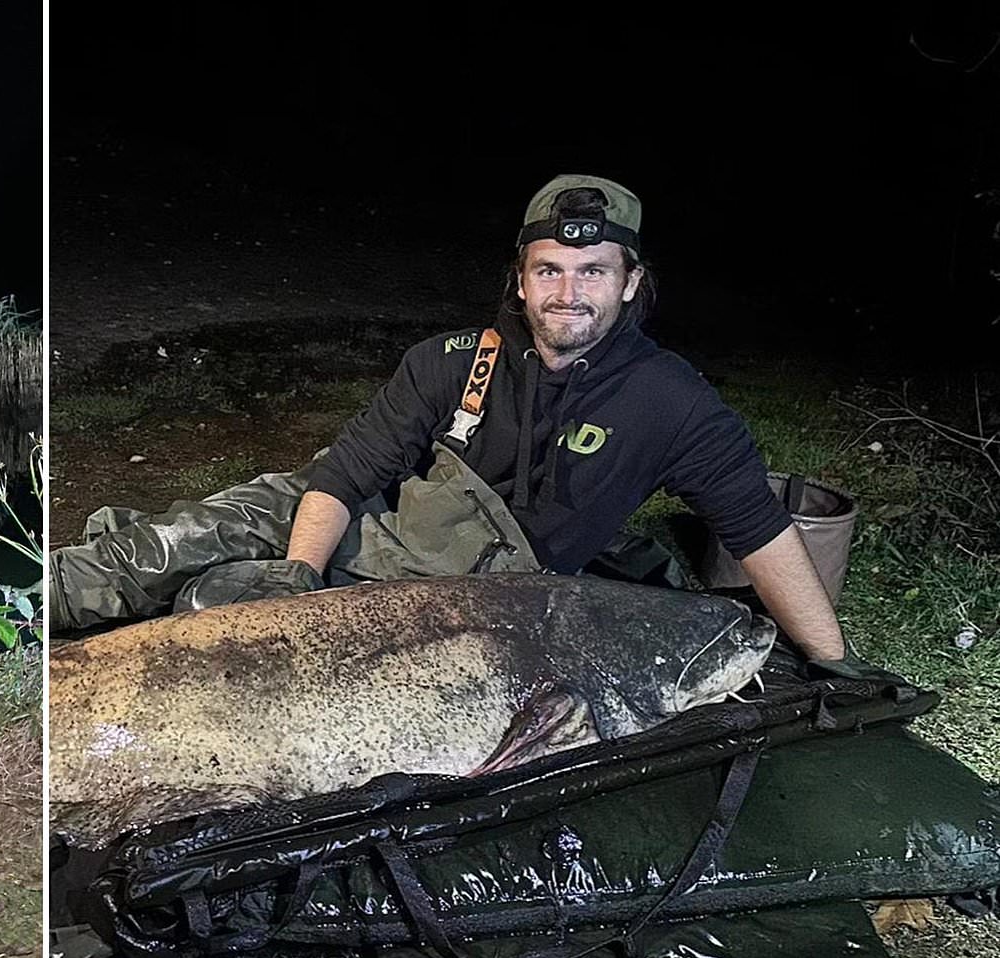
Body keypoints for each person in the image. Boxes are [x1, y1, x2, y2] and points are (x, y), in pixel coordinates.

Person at [50, 174, 848, 661]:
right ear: (521, 279)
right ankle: (11, 606)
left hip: (464, 597)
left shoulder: (674, 402)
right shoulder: (451, 359)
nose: (569, 293)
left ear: (631, 282)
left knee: (218, 620)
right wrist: (296, 581)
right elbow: (342, 476)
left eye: (594, 272)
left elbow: (760, 531)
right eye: (549, 271)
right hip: (370, 525)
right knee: (184, 538)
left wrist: (831, 659)